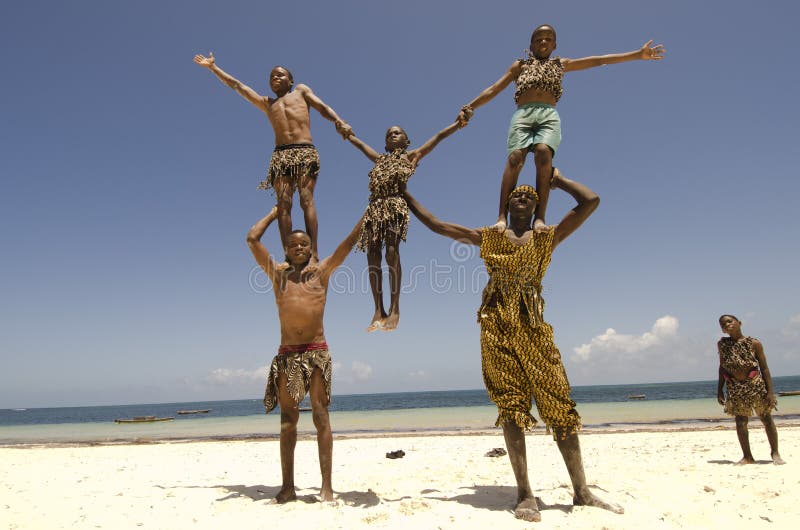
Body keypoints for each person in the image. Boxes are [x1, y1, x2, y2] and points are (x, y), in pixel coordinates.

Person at [404, 170, 622, 522]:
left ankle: (582, 491)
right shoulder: (489, 237)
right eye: (516, 194)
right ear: (506, 203)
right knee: (510, 406)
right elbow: (437, 225)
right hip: (496, 324)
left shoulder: (545, 237)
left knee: (559, 404)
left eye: (530, 195)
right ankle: (524, 493)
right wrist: (405, 194)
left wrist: (558, 180)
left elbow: (590, 201)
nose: (522, 197)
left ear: (538, 206)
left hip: (533, 324)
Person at [456, 24, 664, 231]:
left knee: (543, 153)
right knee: (515, 158)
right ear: (531, 45)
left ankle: (540, 218)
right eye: (538, 39)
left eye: (548, 39)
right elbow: (494, 88)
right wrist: (470, 107)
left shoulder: (561, 64)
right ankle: (501, 217)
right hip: (523, 115)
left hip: (548, 115)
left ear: (555, 45)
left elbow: (598, 60)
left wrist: (637, 55)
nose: (543, 42)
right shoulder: (520, 66)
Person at [246, 205, 364, 503]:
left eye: (304, 244)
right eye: (293, 244)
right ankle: (288, 487)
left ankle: (327, 486)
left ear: (311, 249)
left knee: (321, 416)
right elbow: (252, 239)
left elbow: (348, 244)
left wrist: (367, 214)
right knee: (288, 420)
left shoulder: (320, 274)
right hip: (287, 355)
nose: (298, 247)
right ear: (286, 250)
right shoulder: (278, 277)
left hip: (316, 353)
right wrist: (275, 213)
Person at [195, 52, 353, 257]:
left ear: (291, 80)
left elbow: (322, 107)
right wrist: (213, 68)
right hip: (281, 156)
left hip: (304, 151)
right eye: (271, 77)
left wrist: (339, 121)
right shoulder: (267, 103)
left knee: (306, 199)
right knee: (284, 205)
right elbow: (237, 86)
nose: (275, 78)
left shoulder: (301, 91)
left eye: (279, 75)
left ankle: (313, 252)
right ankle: (289, 254)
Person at [345, 121, 461, 331]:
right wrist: (347, 134)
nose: (393, 135)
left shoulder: (411, 156)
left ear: (407, 141)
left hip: (395, 205)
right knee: (372, 255)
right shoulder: (380, 159)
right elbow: (361, 146)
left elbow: (438, 137)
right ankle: (378, 310)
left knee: (391, 253)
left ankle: (395, 308)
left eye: (397, 133)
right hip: (374, 208)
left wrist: (457, 124)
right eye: (389, 134)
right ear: (385, 144)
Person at [716, 314, 785, 465]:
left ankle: (775, 453)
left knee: (766, 418)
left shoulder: (754, 343)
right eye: (723, 324)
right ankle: (747, 456)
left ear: (739, 323)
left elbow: (764, 368)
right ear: (722, 330)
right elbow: (722, 367)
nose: (727, 325)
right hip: (735, 387)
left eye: (730, 321)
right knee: (740, 421)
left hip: (755, 385)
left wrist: (770, 392)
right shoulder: (722, 345)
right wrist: (720, 389)